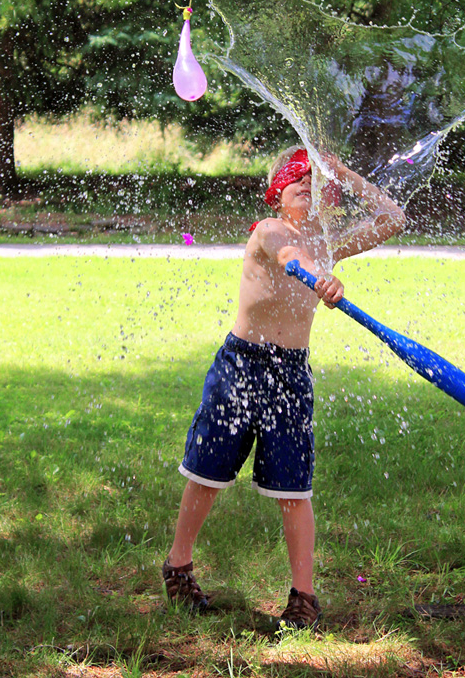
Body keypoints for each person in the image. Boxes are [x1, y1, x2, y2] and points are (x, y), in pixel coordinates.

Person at [162, 145, 406, 628]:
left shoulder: (329, 239)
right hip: (242, 366)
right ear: (276, 193)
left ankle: (303, 597)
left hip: (291, 372)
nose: (306, 183)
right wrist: (323, 280)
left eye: (314, 179)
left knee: (295, 487)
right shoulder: (270, 230)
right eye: (297, 179)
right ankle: (178, 565)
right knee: (208, 474)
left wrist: (340, 169)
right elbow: (291, 256)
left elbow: (392, 218)